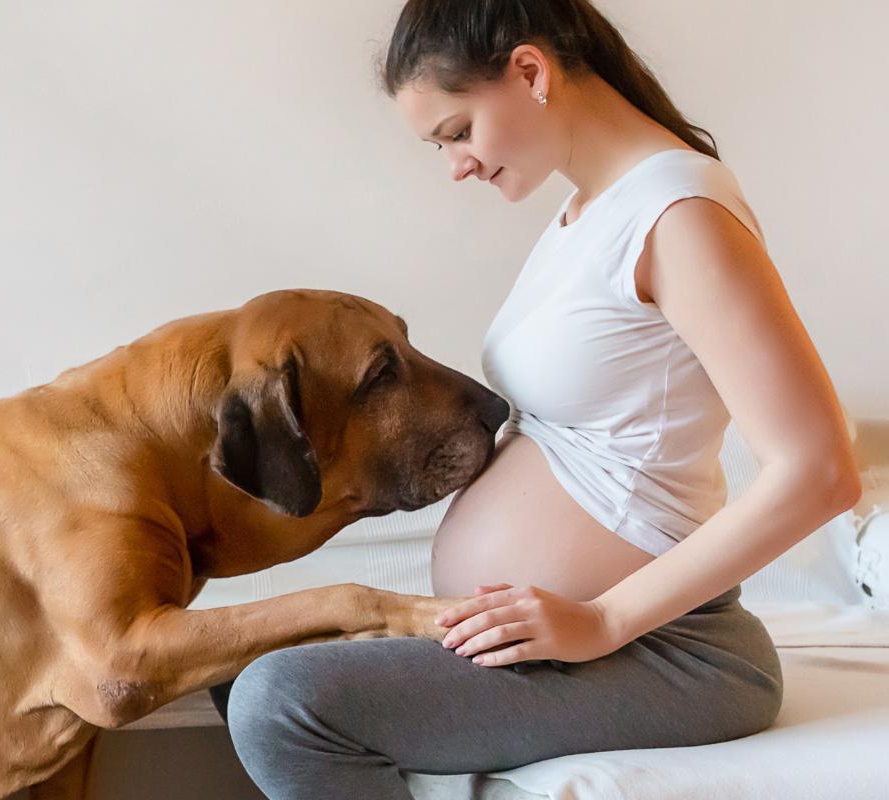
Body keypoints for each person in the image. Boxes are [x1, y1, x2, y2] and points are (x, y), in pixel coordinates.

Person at [207, 1, 862, 797]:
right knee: (237, 665)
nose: (456, 164)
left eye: (456, 131)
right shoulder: (588, 209)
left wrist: (605, 620)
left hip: (671, 649)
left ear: (528, 71)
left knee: (283, 702)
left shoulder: (679, 214)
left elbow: (820, 471)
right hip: (578, 639)